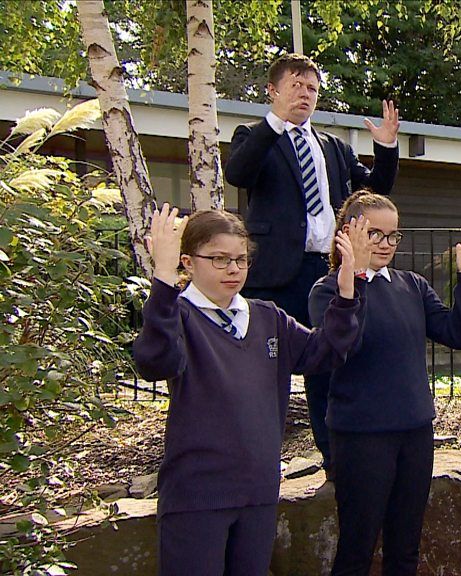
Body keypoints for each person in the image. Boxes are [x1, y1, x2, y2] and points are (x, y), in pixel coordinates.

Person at [133, 204, 366, 575]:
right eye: (219, 259)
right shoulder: (178, 315)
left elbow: (324, 352)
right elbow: (154, 362)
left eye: (241, 259)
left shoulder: (266, 317)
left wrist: (348, 293)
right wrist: (161, 280)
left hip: (258, 492)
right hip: (198, 497)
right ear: (188, 263)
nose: (233, 269)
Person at [224, 52, 400, 476]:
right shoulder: (253, 135)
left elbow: (376, 188)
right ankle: (258, 461)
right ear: (273, 90)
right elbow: (239, 174)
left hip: (323, 271)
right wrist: (274, 123)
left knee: (327, 365)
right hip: (274, 275)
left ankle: (333, 457)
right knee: (268, 371)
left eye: (312, 88)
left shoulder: (333, 147)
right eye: (296, 86)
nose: (305, 94)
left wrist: (387, 145)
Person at [308, 192, 461, 576]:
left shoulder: (412, 285)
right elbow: (349, 344)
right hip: (361, 435)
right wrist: (355, 277)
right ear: (348, 232)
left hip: (415, 432)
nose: (385, 244)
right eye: (375, 234)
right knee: (357, 547)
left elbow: (456, 333)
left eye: (393, 236)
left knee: (405, 548)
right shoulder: (329, 290)